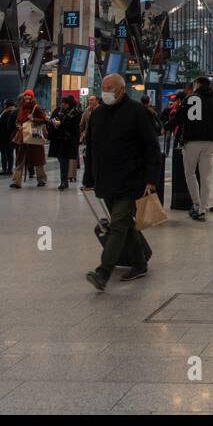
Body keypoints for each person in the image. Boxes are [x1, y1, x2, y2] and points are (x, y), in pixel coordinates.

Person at [84, 73, 162, 291]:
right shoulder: (97, 114)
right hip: (106, 180)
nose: (106, 92)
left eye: (110, 88)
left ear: (122, 89)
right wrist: (89, 176)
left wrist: (150, 178)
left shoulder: (137, 112)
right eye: (104, 88)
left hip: (130, 180)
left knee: (118, 225)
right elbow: (91, 147)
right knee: (126, 225)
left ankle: (103, 271)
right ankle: (139, 263)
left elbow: (151, 146)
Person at [178, 76, 213, 221]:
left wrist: (165, 127)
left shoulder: (190, 99)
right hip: (210, 142)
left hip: (191, 141)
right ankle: (203, 208)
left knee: (190, 173)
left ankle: (196, 204)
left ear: (197, 84)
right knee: (206, 176)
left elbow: (179, 117)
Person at [10, 90, 49, 188]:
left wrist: (33, 119)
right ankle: (16, 181)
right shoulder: (21, 108)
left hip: (34, 137)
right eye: (26, 95)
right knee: (20, 160)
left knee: (38, 160)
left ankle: (42, 179)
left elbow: (44, 120)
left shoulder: (36, 108)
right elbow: (18, 120)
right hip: (24, 137)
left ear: (32, 97)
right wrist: (18, 125)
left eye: (29, 96)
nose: (27, 97)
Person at [48, 95, 82, 189]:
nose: (63, 104)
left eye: (66, 103)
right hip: (58, 138)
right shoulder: (58, 110)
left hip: (68, 140)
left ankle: (64, 181)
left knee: (64, 159)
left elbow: (74, 125)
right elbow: (51, 120)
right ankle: (64, 180)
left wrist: (61, 124)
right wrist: (53, 123)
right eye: (62, 102)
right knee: (61, 159)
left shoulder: (75, 112)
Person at [79, 94, 99, 192]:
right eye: (89, 100)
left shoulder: (100, 111)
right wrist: (82, 133)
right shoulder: (87, 111)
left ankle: (96, 182)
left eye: (92, 100)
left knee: (96, 161)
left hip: (98, 140)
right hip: (88, 139)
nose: (90, 102)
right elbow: (82, 124)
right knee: (88, 161)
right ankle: (88, 182)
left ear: (97, 101)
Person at [0, 99, 17, 176]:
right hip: (11, 136)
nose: (4, 106)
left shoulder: (6, 113)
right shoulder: (14, 112)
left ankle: (4, 169)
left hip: (4, 136)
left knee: (4, 154)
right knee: (10, 153)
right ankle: (10, 169)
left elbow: (2, 125)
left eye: (5, 104)